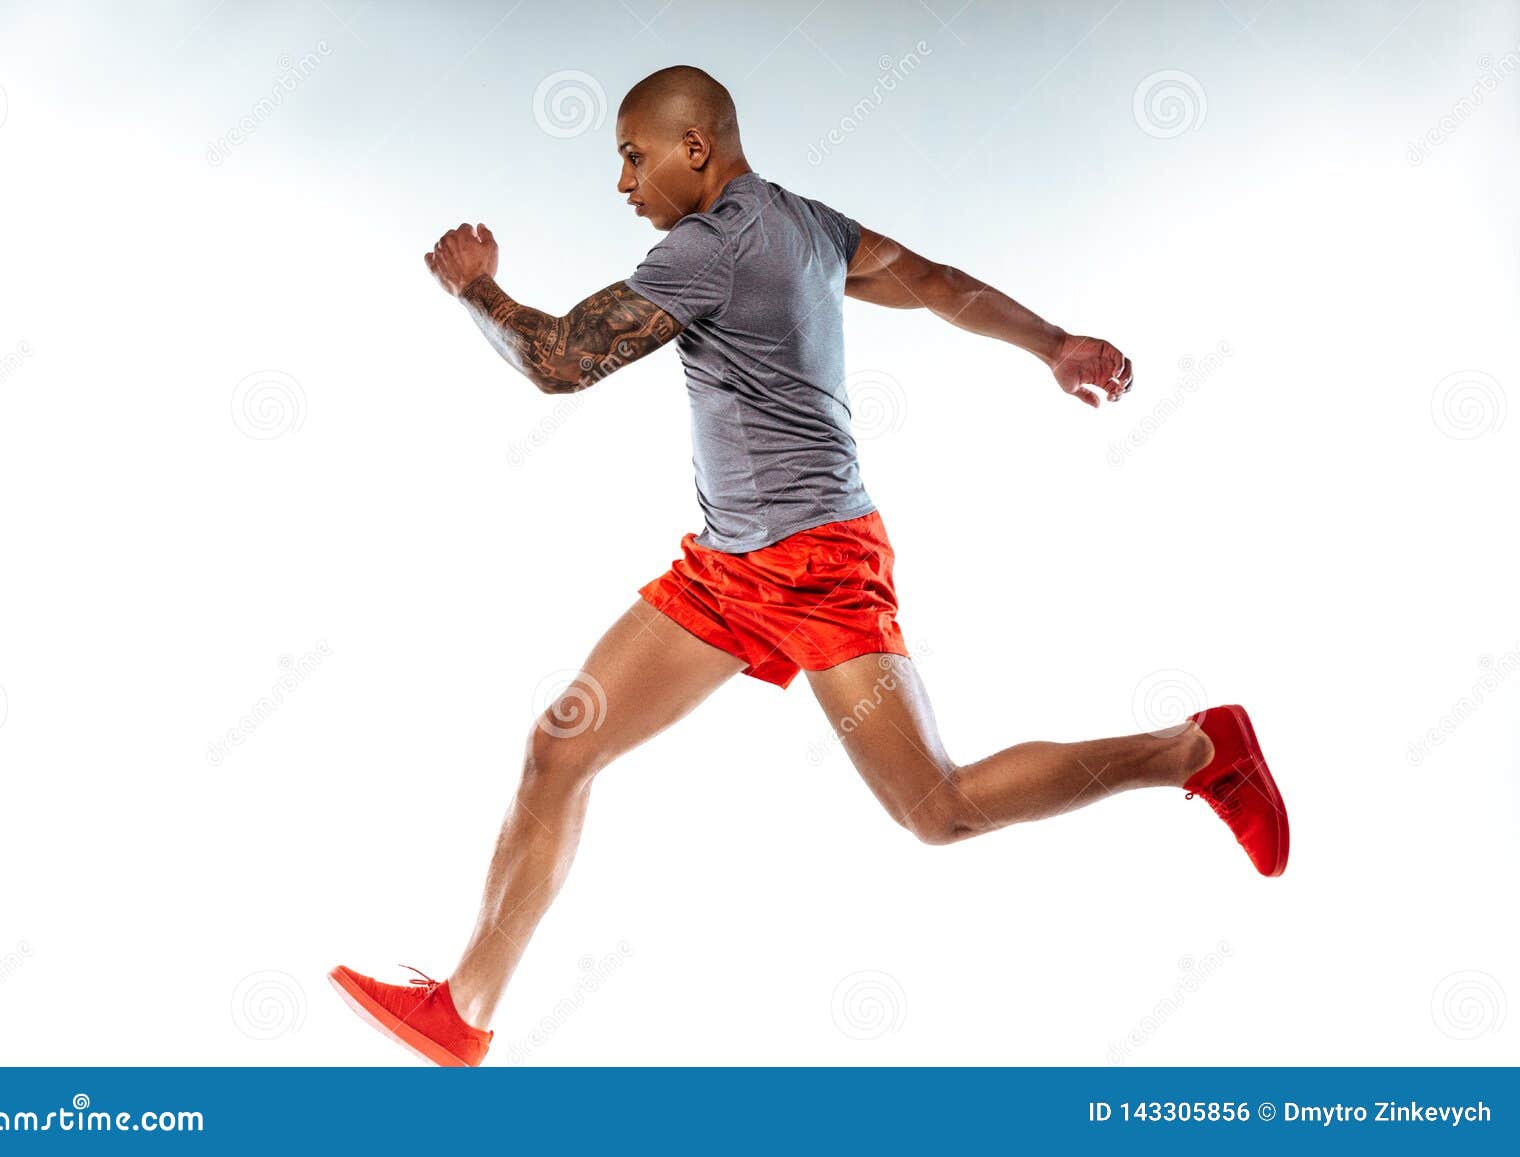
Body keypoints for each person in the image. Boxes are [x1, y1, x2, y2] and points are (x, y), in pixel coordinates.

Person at [329, 65, 1290, 1067]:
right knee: (560, 747)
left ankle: (1192, 750)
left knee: (939, 808)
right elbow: (936, 284)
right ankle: (463, 1006)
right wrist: (1052, 343)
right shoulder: (808, 224)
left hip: (819, 565)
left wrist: (474, 285)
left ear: (693, 146)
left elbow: (558, 360)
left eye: (631, 155)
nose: (622, 184)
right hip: (727, 566)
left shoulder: (710, 246)